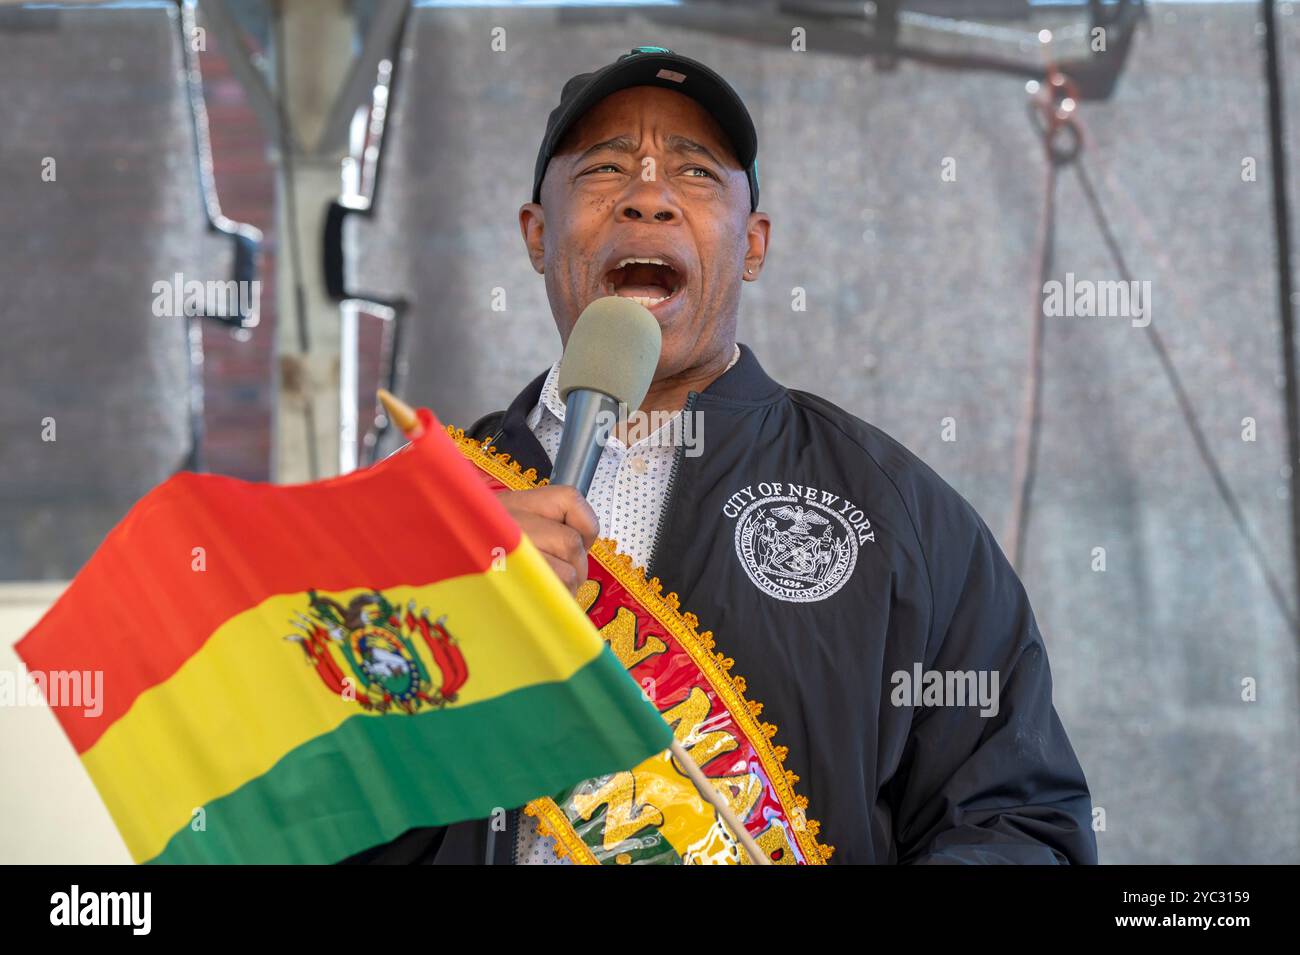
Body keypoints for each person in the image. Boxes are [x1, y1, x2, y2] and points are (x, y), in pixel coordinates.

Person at [350, 46, 1096, 865]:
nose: (647, 197)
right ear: (537, 233)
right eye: (603, 169)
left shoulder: (899, 516)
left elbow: (1019, 826)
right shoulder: (409, 515)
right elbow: (293, 811)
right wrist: (441, 643)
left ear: (753, 244)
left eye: (696, 173)